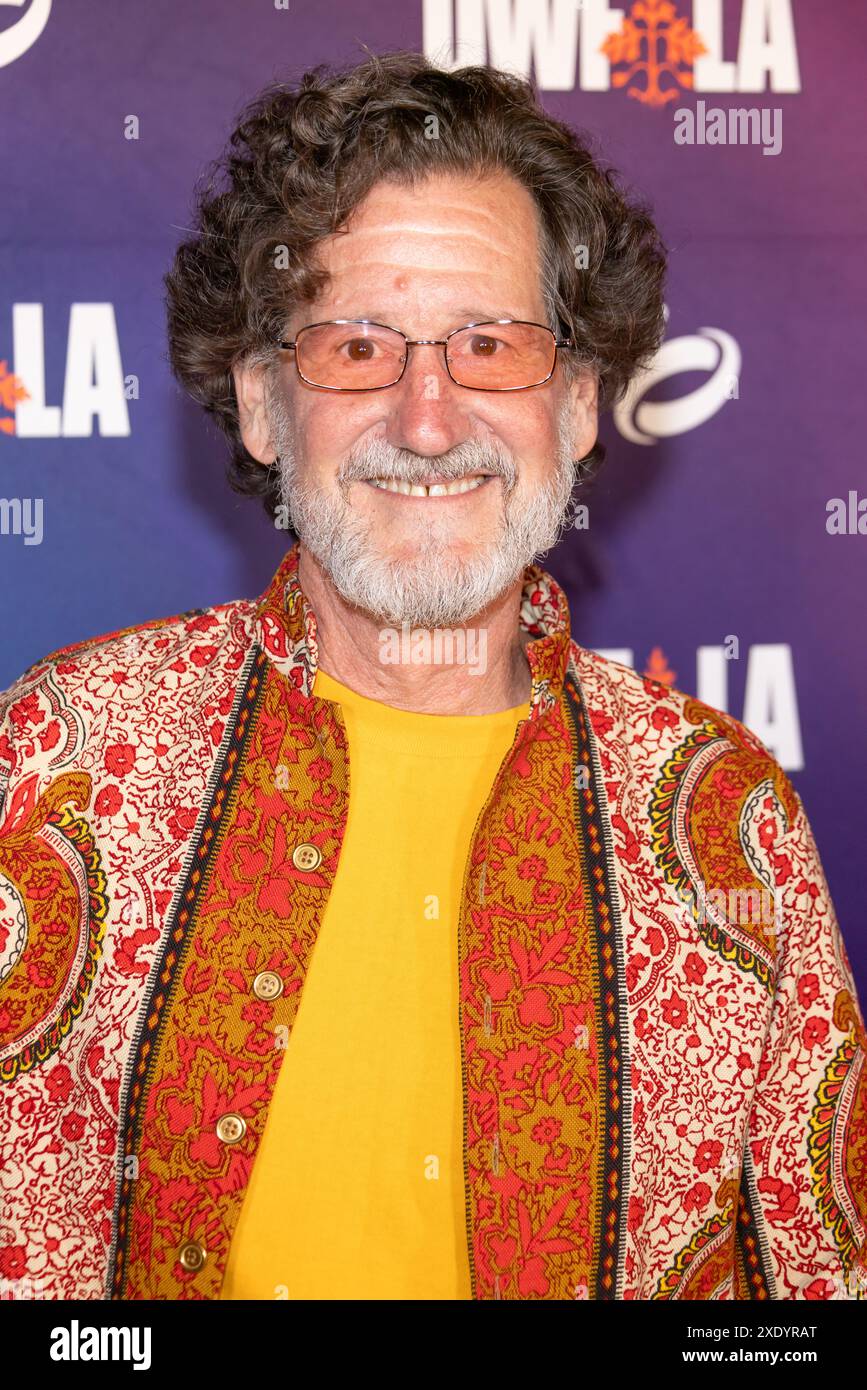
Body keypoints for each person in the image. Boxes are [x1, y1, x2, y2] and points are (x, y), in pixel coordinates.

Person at [1, 50, 864, 1303]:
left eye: (488, 344)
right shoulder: (63, 758)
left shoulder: (724, 820)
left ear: (574, 405)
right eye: (358, 346)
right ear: (259, 405)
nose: (425, 416)